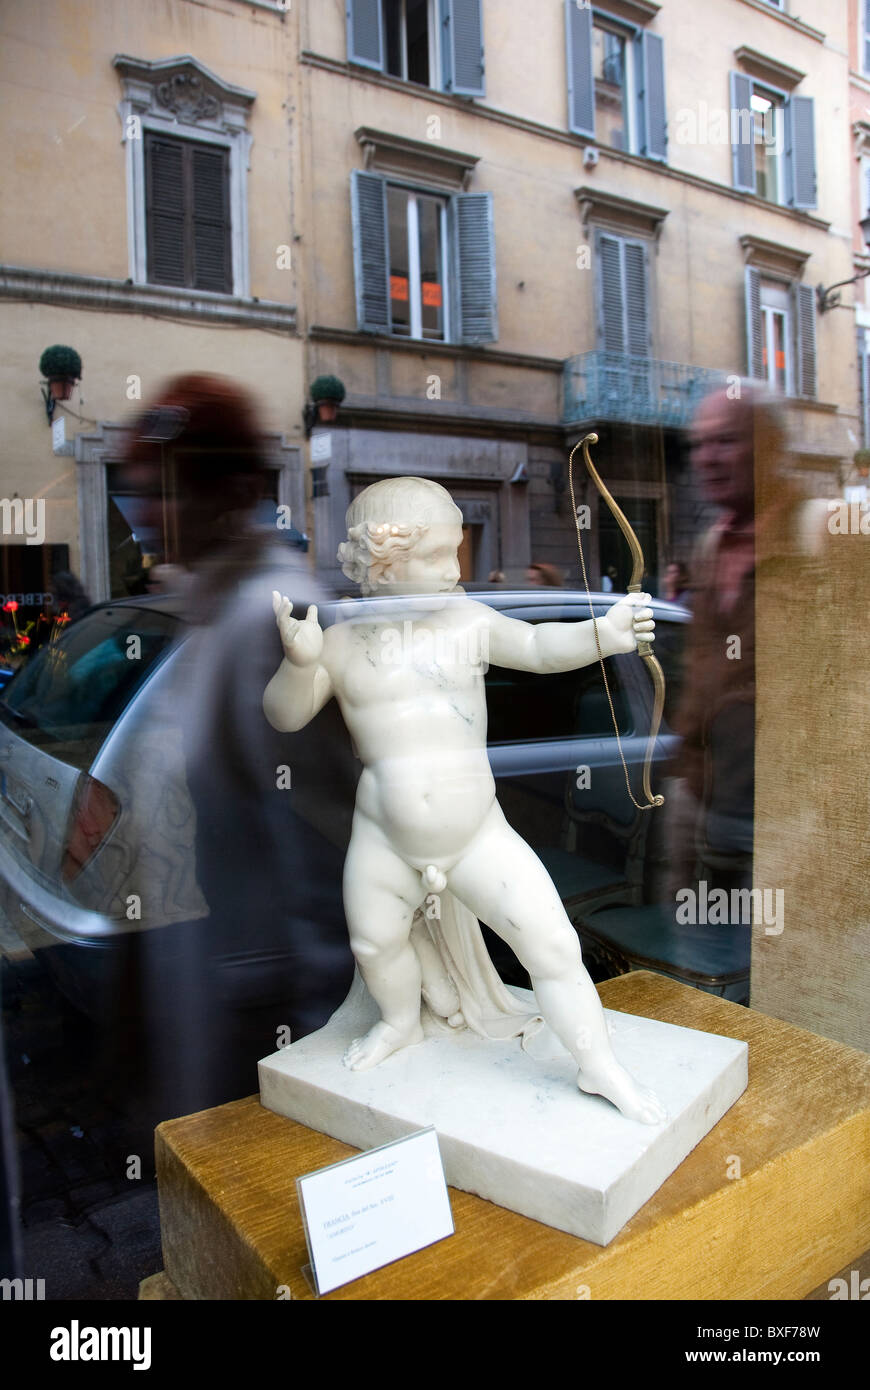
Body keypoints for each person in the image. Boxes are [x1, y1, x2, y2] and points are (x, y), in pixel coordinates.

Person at [264, 476, 666, 1124]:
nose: (457, 570)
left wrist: (604, 634)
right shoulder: (340, 642)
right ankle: (400, 1021)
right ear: (383, 561)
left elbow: (537, 648)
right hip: (385, 837)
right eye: (438, 556)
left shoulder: (469, 622)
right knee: (373, 944)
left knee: (553, 947)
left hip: (476, 833)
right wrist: (297, 663)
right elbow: (284, 717)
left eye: (458, 551)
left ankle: (600, 1067)